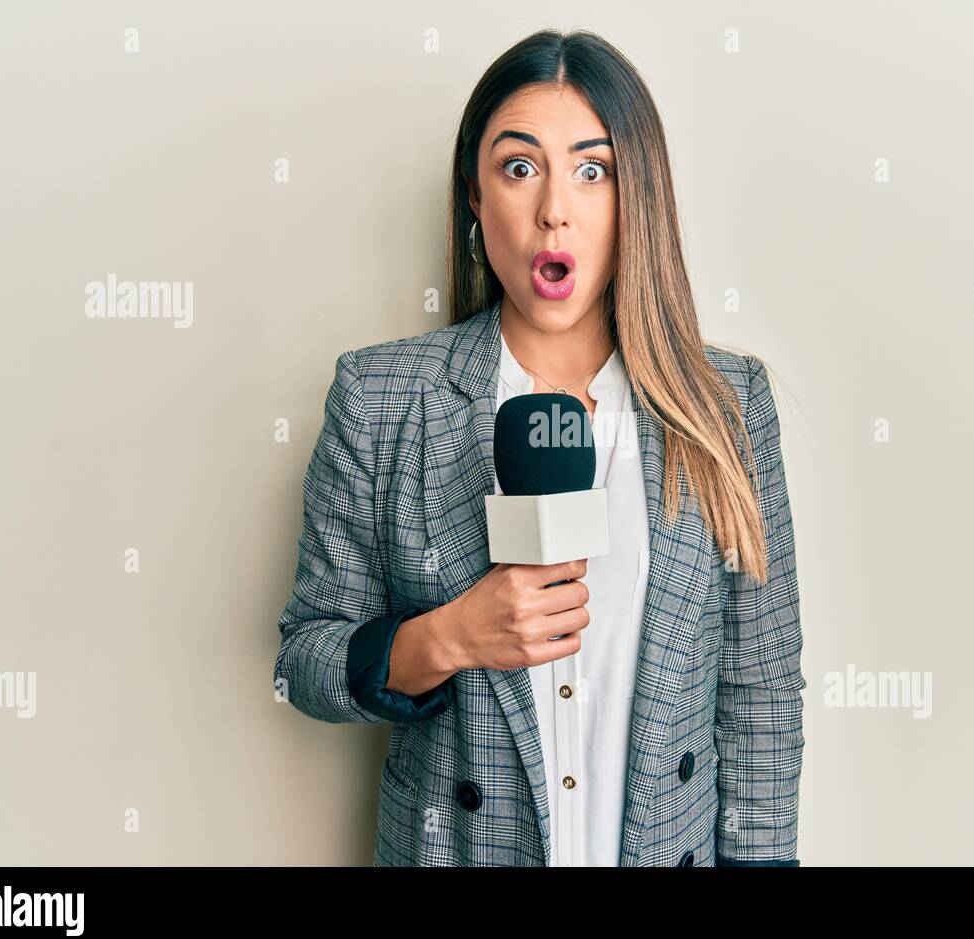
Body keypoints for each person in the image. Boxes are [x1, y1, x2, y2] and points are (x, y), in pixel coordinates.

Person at [274, 28, 805, 867]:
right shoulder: (381, 397)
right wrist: (447, 637)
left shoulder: (727, 406)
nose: (554, 207)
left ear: (638, 200)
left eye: (593, 171)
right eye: (519, 168)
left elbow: (762, 694)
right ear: (475, 198)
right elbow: (303, 662)